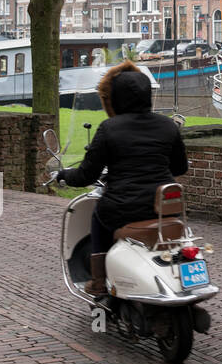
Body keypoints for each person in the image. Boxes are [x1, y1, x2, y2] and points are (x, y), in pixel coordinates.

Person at [58, 60, 189, 296]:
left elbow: (87, 174)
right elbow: (180, 166)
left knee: (98, 216)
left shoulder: (110, 128)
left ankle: (98, 281)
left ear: (116, 98)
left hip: (124, 208)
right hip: (164, 209)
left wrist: (64, 175)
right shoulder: (167, 126)